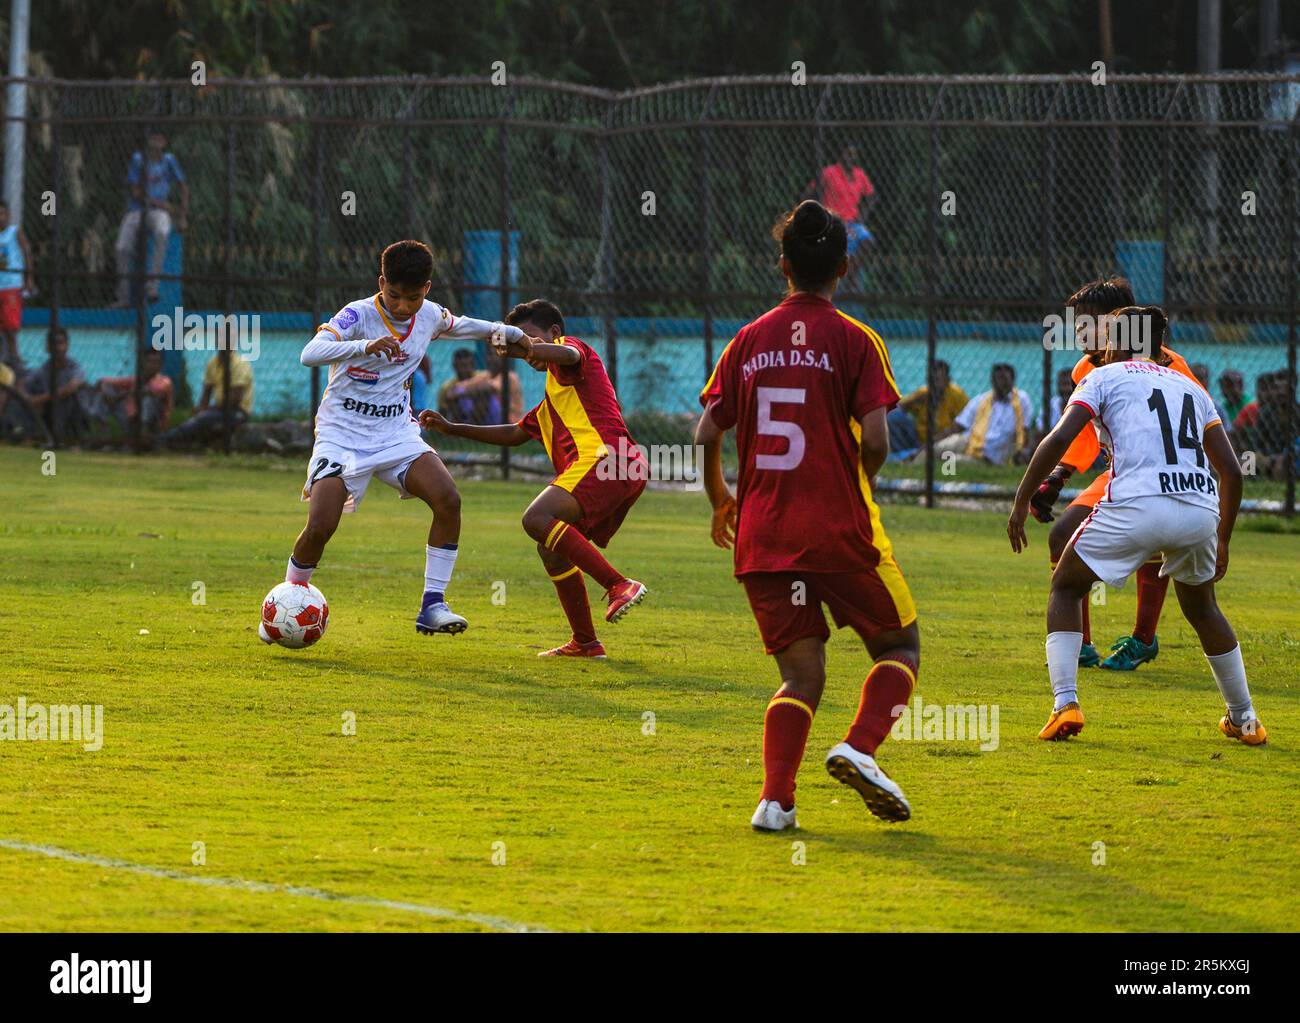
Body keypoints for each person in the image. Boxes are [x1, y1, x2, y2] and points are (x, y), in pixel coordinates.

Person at [695, 200, 919, 832]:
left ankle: (775, 801)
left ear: (783, 265)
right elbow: (875, 440)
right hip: (837, 530)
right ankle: (861, 746)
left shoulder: (748, 339)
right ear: (845, 266)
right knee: (899, 644)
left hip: (763, 536)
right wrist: (855, 485)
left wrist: (720, 500)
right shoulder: (855, 339)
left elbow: (706, 428)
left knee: (801, 675)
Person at [1008, 305, 1265, 747]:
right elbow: (1232, 472)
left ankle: (1065, 704)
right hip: (1199, 508)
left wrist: (1019, 501)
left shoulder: (1104, 377)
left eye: (1108, 336)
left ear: (1124, 342)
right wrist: (1221, 538)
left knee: (1066, 588)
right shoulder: (1191, 386)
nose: (1101, 345)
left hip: (1139, 502)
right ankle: (1245, 719)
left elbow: (1058, 439)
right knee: (1204, 609)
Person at [273, 239, 536, 640]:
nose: (400, 306)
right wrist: (362, 345)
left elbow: (461, 324)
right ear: (382, 283)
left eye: (411, 297)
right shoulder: (358, 314)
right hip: (341, 436)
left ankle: (433, 605)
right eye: (393, 295)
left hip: (396, 434)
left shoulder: (428, 316)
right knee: (321, 525)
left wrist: (504, 330)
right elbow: (311, 352)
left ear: (426, 290)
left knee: (448, 499)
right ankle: (282, 605)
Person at [420, 299, 648, 657]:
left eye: (531, 338)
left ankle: (619, 584)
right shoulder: (554, 398)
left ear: (554, 333)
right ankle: (586, 642)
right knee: (552, 552)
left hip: (609, 460)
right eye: (521, 341)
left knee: (536, 518)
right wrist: (452, 428)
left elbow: (568, 355)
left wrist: (522, 345)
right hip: (620, 467)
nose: (527, 349)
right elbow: (514, 432)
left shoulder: (574, 352)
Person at [1028, 277, 1205, 672]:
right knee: (1061, 536)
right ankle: (1081, 644)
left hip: (1167, 475)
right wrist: (1058, 475)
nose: (1078, 332)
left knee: (1156, 547)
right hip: (1120, 471)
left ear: (1116, 322)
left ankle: (1143, 639)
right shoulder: (1085, 368)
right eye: (1076, 323)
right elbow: (1086, 433)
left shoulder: (1169, 365)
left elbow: (1197, 427)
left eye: (1087, 322)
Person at [112, 129, 188, 307]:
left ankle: (152, 286)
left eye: (159, 138)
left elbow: (184, 186)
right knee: (122, 248)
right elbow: (136, 192)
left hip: (157, 213)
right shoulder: (139, 159)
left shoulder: (169, 161)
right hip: (137, 210)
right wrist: (163, 205)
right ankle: (124, 298)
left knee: (163, 231)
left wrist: (183, 215)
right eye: (153, 138)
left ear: (164, 142)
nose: (156, 142)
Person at [936, 363, 1033, 465]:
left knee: (951, 461)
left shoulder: (1021, 399)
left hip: (989, 454)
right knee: (934, 449)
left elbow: (1025, 430)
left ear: (1012, 381)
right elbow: (958, 426)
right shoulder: (981, 400)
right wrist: (934, 440)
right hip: (969, 440)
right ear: (992, 381)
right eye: (998, 378)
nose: (1001, 383)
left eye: (1005, 379)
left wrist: (1025, 451)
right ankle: (918, 467)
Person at [158, 350, 253, 448]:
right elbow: (206, 392)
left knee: (203, 419)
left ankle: (162, 440)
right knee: (198, 418)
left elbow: (234, 399)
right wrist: (201, 408)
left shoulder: (240, 364)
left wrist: (206, 410)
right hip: (219, 411)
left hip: (238, 412)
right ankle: (171, 441)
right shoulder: (213, 363)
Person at [804, 145, 876, 263]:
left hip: (852, 223)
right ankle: (845, 275)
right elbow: (809, 193)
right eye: (848, 154)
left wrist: (863, 215)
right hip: (833, 222)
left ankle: (852, 275)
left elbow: (871, 195)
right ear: (840, 156)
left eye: (853, 155)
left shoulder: (860, 174)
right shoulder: (829, 172)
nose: (851, 158)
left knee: (867, 242)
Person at [887, 359, 967, 458]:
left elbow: (963, 425)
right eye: (931, 380)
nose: (934, 384)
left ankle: (915, 455)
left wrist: (933, 442)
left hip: (943, 440)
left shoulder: (957, 395)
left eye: (937, 380)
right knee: (893, 415)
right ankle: (903, 454)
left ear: (947, 380)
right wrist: (912, 401)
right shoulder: (923, 392)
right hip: (919, 439)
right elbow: (896, 407)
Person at [23, 327, 89, 442]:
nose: (57, 348)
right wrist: (28, 398)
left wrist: (38, 400)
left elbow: (70, 388)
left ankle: (75, 441)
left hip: (72, 413)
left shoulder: (75, 368)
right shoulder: (42, 370)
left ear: (67, 346)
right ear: (47, 347)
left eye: (61, 343)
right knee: (26, 395)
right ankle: (24, 434)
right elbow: (22, 384)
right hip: (49, 412)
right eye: (53, 344)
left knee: (71, 398)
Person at [95, 348, 174, 440]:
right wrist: (107, 393)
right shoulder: (136, 379)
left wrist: (122, 395)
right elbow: (103, 381)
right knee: (107, 392)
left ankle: (145, 436)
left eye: (155, 362)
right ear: (143, 363)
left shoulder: (165, 381)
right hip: (132, 418)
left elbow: (152, 391)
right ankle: (104, 435)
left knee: (148, 398)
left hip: (153, 424)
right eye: (149, 361)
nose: (152, 365)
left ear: (160, 365)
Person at [0, 200, 34, 373]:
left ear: (8, 215)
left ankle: (15, 358)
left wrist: (29, 277)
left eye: (2, 214)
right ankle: (5, 360)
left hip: (12, 285)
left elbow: (26, 250)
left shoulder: (14, 232)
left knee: (11, 326)